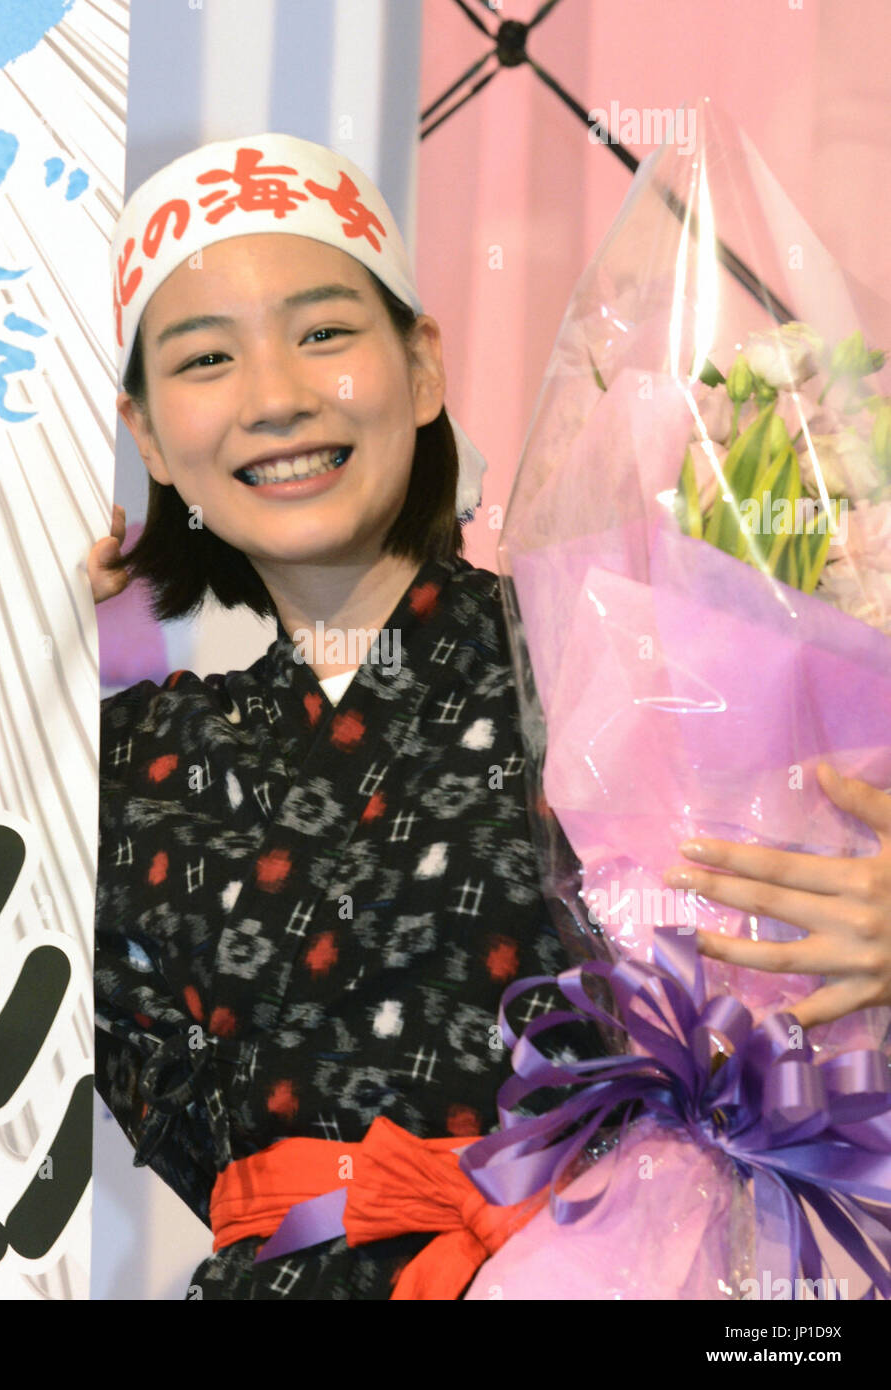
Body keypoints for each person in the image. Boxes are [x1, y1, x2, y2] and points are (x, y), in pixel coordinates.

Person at [88, 133, 891, 1300]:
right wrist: (8, 648)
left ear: (422, 367)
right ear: (150, 435)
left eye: (323, 333)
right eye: (206, 358)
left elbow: (788, 1033)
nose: (275, 397)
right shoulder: (127, 766)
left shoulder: (624, 657)